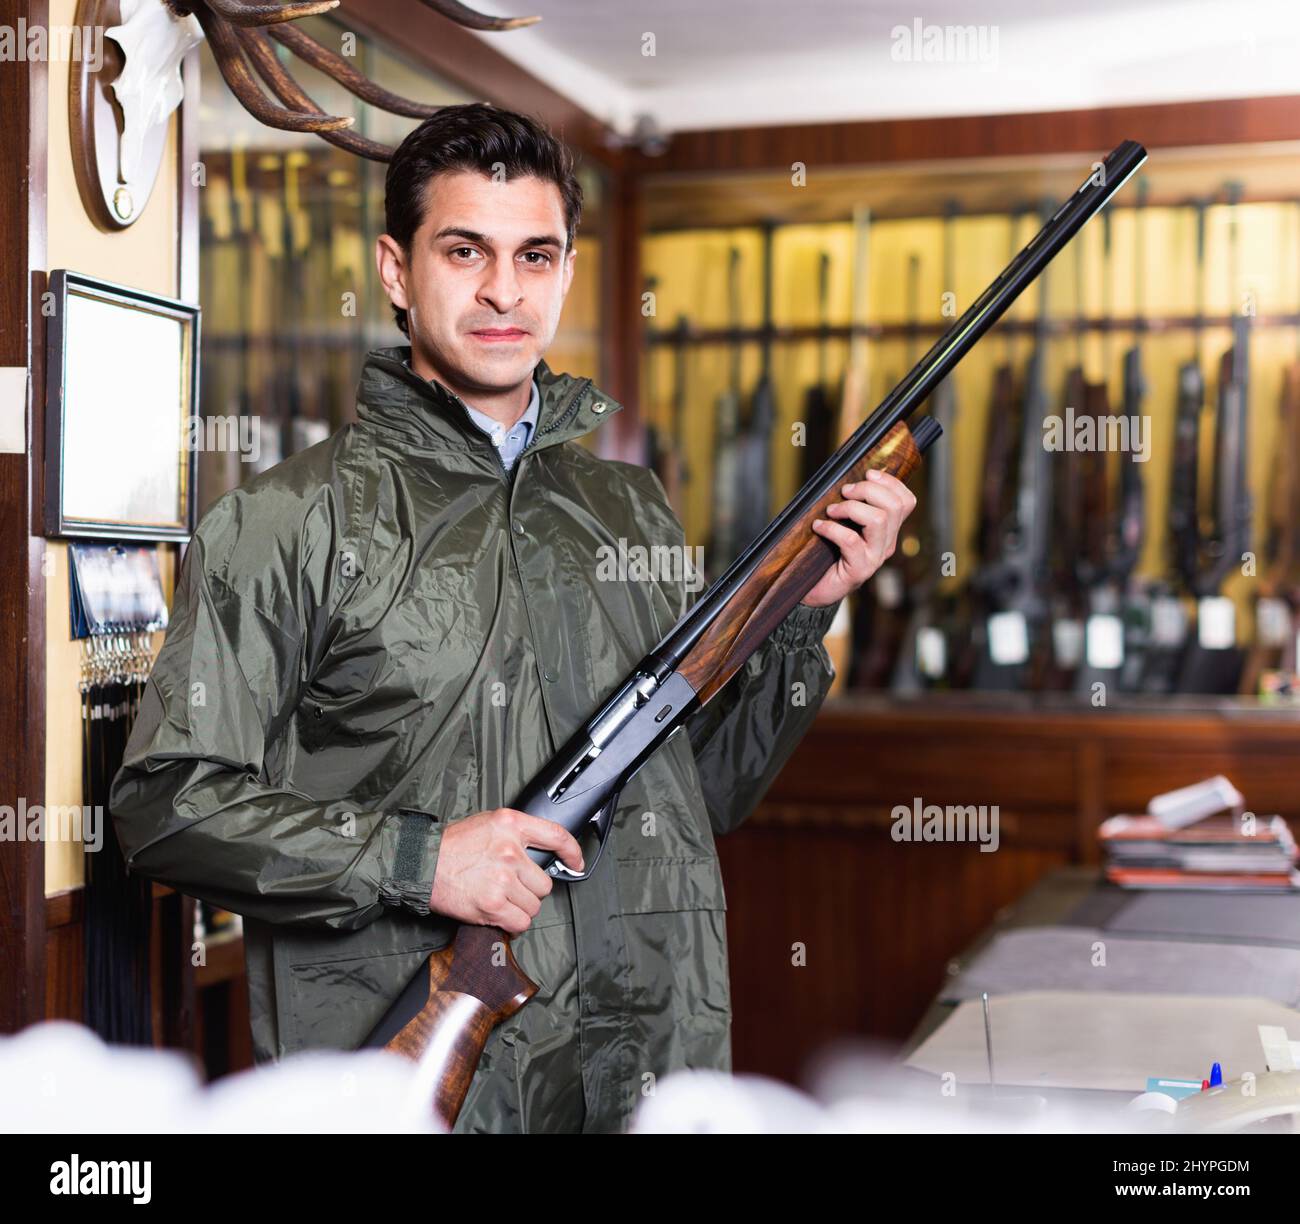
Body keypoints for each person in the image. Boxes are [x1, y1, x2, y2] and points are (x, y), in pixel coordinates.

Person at [110, 102, 917, 1134]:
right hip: (416, 1085)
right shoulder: (283, 521)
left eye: (535, 255)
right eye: (465, 251)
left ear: (567, 271)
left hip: (646, 1064)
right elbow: (166, 805)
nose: (504, 290)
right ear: (396, 272)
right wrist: (421, 860)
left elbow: (700, 794)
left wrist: (796, 620)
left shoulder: (629, 505)